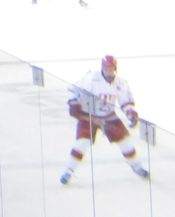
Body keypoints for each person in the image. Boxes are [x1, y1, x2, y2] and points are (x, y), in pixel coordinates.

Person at [60, 55, 145, 183]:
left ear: (115, 68)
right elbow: (74, 89)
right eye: (106, 68)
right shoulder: (91, 78)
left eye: (111, 68)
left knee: (125, 143)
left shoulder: (121, 83)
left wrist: (130, 113)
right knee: (82, 143)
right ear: (102, 68)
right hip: (89, 116)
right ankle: (68, 171)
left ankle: (137, 167)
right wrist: (73, 101)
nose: (109, 71)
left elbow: (125, 102)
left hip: (108, 116)